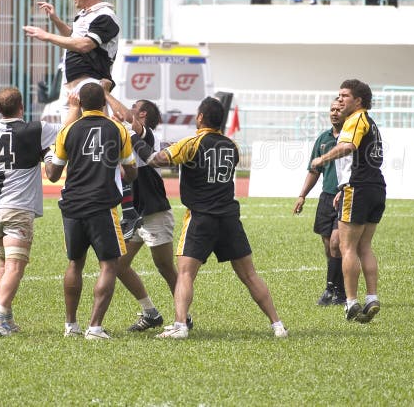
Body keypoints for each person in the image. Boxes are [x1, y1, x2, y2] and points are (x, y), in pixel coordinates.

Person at [149, 97, 288, 339]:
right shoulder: (231, 145)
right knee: (249, 275)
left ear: (201, 117)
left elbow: (160, 159)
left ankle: (180, 325)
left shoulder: (192, 142)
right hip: (229, 217)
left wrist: (144, 149)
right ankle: (277, 325)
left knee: (185, 273)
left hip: (201, 217)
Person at [23, 0, 141, 231]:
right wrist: (55, 20)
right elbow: (73, 39)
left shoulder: (106, 16)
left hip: (91, 85)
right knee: (71, 141)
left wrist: (46, 36)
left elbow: (85, 46)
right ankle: (75, 190)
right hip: (72, 89)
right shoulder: (84, 16)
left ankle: (129, 209)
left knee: (104, 142)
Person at [45, 82, 138, 340]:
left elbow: (52, 174)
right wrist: (121, 169)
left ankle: (71, 325)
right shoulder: (117, 129)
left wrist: (50, 155)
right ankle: (95, 327)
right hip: (102, 205)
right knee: (109, 264)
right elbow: (132, 171)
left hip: (73, 205)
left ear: (81, 104)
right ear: (104, 103)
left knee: (75, 262)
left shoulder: (68, 131)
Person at [0, 87, 77, 337]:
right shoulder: (35, 129)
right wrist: (74, 106)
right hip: (17, 207)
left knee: (4, 264)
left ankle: (7, 318)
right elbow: (65, 131)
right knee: (15, 266)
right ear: (21, 107)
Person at [103, 92, 190, 332]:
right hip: (133, 213)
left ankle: (185, 316)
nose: (129, 109)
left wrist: (103, 91)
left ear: (142, 115)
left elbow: (125, 116)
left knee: (165, 267)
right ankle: (150, 313)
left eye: (135, 108)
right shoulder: (127, 134)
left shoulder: (149, 134)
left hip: (153, 212)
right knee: (119, 265)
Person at [310, 79, 385, 323]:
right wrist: (343, 188)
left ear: (358, 100)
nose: (340, 99)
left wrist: (322, 159)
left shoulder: (355, 120)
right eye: (339, 95)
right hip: (375, 187)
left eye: (345, 96)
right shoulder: (371, 123)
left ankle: (350, 302)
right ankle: (372, 297)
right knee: (365, 247)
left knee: (348, 247)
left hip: (359, 188)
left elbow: (348, 146)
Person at [293, 99, 345, 306]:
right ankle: (339, 291)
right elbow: (314, 171)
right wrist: (302, 195)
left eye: (339, 110)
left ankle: (331, 290)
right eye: (332, 109)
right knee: (328, 248)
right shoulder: (323, 139)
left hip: (344, 195)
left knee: (336, 243)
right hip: (326, 197)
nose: (334, 113)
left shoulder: (350, 138)